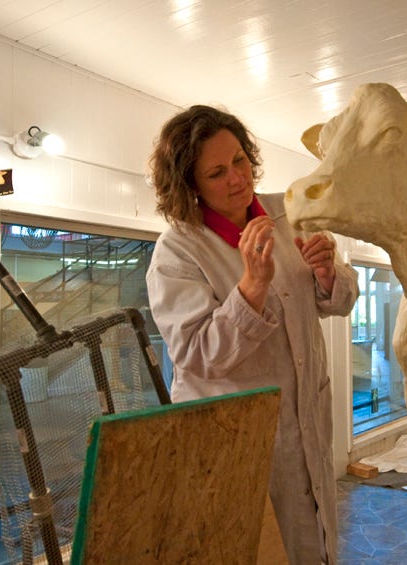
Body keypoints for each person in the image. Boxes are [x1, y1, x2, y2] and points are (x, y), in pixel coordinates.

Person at [145, 104, 358, 564]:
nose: (237, 179)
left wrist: (327, 274)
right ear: (190, 185)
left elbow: (338, 303)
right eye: (217, 172)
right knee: (251, 548)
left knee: (314, 543)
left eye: (239, 160)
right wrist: (251, 287)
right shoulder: (178, 250)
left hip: (304, 422)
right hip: (234, 440)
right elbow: (198, 355)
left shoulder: (290, 213)